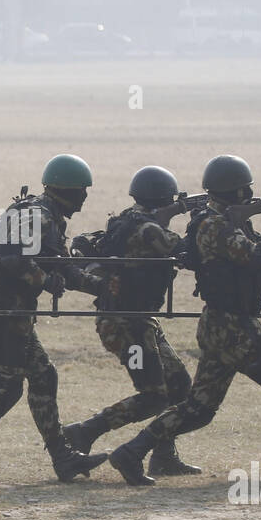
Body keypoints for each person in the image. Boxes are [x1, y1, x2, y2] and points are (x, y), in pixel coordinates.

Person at [107, 155, 261, 486]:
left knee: (199, 408)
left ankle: (131, 452)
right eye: (246, 190)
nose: (250, 196)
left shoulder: (222, 222)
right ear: (235, 192)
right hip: (234, 327)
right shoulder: (214, 226)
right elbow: (258, 259)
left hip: (224, 325)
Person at [0, 154, 110, 484]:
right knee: (6, 388)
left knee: (43, 377)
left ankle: (63, 459)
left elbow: (62, 270)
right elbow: (12, 259)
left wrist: (100, 288)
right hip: (3, 311)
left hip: (14, 312)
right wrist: (45, 281)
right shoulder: (37, 215)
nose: (85, 197)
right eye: (82, 190)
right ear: (68, 191)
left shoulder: (48, 217)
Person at [62, 166, 198, 475]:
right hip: (127, 325)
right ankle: (85, 432)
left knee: (179, 385)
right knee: (153, 397)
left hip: (137, 321)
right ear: (164, 198)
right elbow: (187, 252)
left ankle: (163, 457)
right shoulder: (148, 229)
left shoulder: (128, 219)